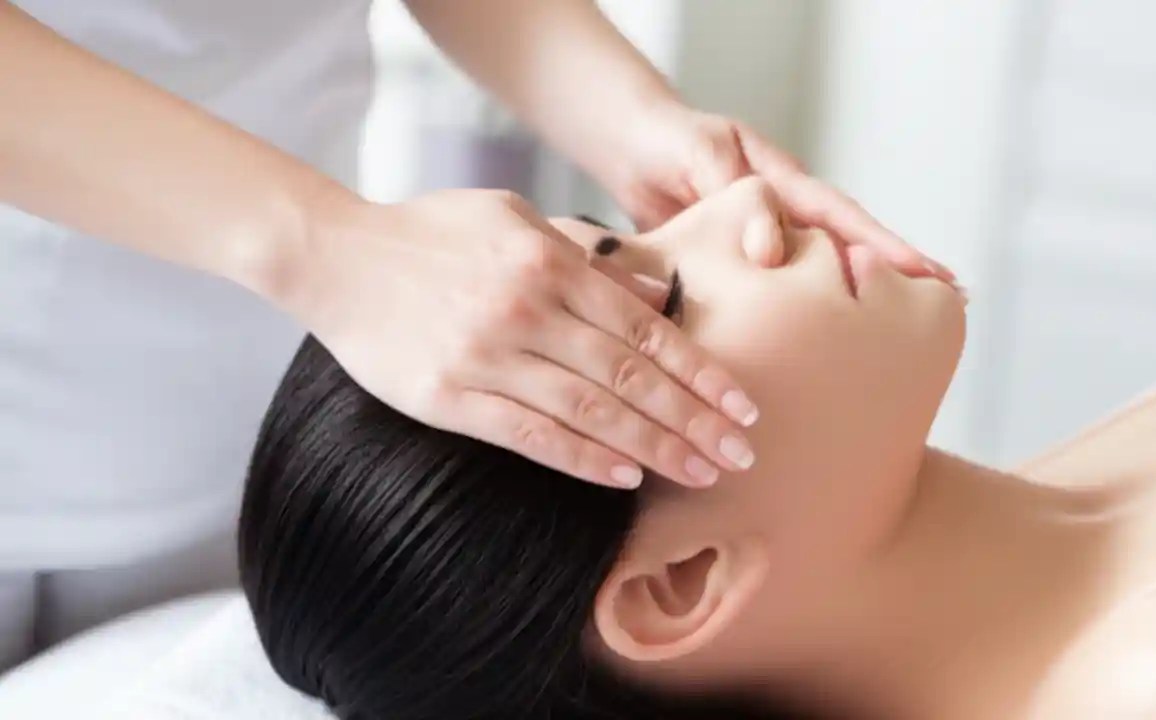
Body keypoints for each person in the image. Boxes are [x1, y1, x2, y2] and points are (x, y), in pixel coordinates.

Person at [0, 178, 1156, 718]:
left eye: (625, 232)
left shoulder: (1088, 510)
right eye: (653, 304)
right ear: (676, 586)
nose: (744, 211)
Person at [0, 0, 955, 670]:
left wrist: (636, 124)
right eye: (658, 312)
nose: (749, 204)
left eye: (630, 258)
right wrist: (324, 246)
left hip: (232, 429)